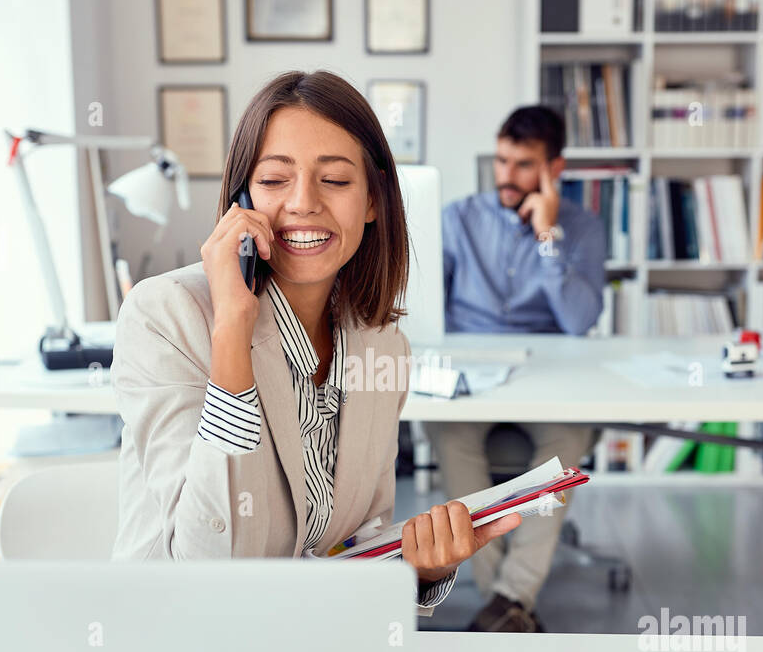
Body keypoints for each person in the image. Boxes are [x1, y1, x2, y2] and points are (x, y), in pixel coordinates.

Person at [110, 70, 521, 616]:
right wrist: (232, 329)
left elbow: (353, 546)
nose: (303, 204)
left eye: (335, 180)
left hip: (314, 645)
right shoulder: (167, 316)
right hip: (177, 650)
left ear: (374, 201)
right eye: (275, 180)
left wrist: (420, 572)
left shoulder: (381, 346)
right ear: (241, 198)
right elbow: (201, 565)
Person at [424, 104, 605, 632]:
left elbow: (577, 322)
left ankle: (503, 601)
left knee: (566, 442)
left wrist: (548, 237)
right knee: (453, 437)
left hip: (548, 372)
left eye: (523, 164)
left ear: (555, 169)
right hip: (470, 374)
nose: (507, 175)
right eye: (502, 160)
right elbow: (421, 309)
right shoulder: (458, 220)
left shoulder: (583, 228)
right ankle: (507, 602)